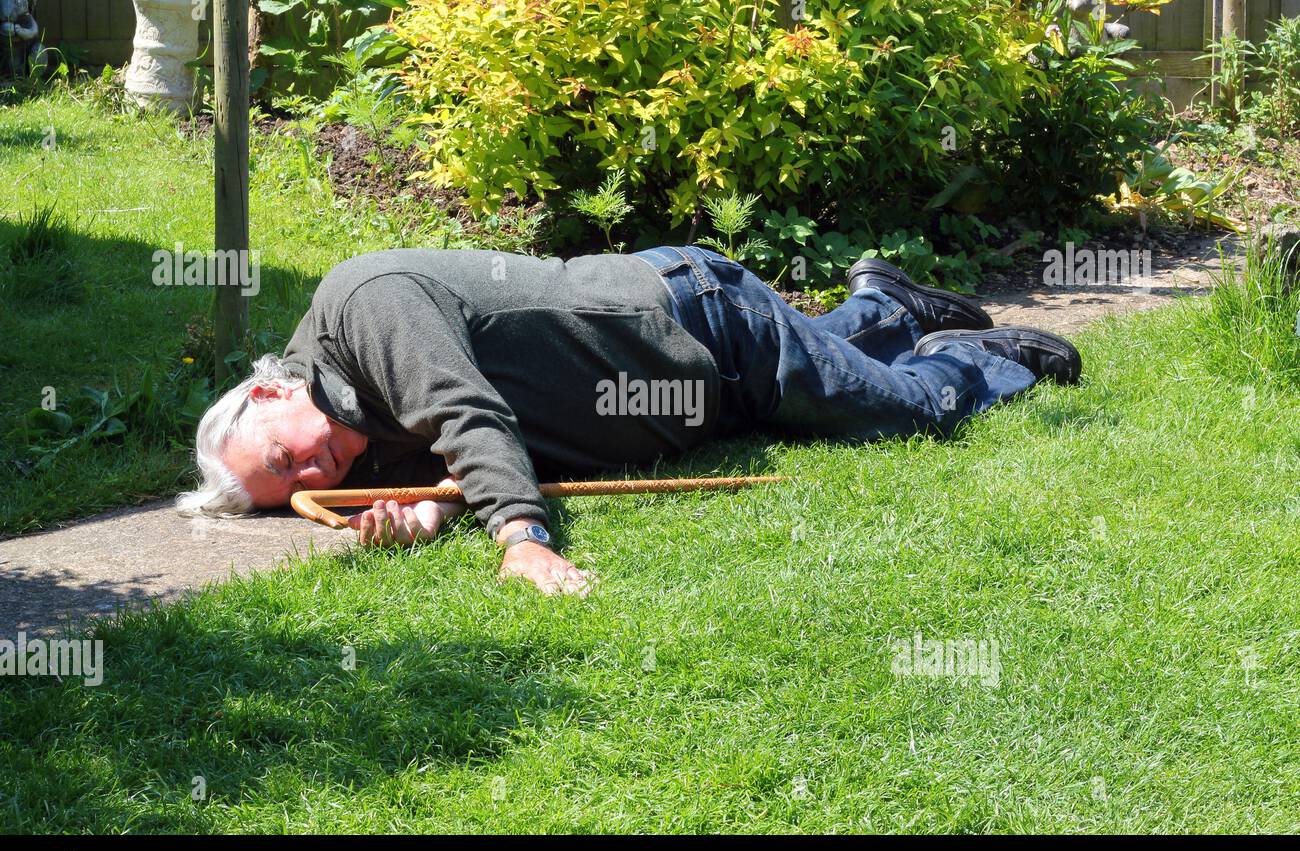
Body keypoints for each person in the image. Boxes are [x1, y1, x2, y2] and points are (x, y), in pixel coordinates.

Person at [178, 246, 1080, 595]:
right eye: (290, 490)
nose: (315, 477)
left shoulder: (364, 308)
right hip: (698, 403)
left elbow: (466, 414)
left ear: (265, 394)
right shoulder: (338, 427)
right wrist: (431, 514)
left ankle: (984, 360)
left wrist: (522, 536)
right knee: (833, 371)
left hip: (701, 323)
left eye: (285, 458)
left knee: (909, 412)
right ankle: (884, 302)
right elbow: (449, 460)